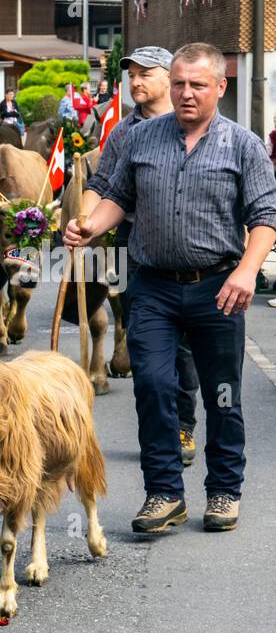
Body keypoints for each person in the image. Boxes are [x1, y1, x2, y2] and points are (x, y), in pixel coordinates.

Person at [65, 42, 276, 534]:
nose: (185, 93)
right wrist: (91, 226)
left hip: (219, 288)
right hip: (154, 287)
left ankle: (224, 491)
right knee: (154, 388)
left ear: (220, 87)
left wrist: (246, 271)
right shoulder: (140, 139)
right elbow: (117, 196)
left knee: (222, 395)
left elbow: (265, 218)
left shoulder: (242, 146)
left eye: (197, 85)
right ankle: (164, 493)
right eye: (179, 83)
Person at [86, 45, 201, 470]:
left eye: (145, 74)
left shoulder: (195, 124)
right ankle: (159, 428)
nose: (135, 81)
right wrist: (85, 219)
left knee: (184, 349)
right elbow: (102, 184)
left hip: (190, 245)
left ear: (169, 78)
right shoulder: (122, 132)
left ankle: (183, 424)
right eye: (130, 74)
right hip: (135, 243)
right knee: (148, 344)